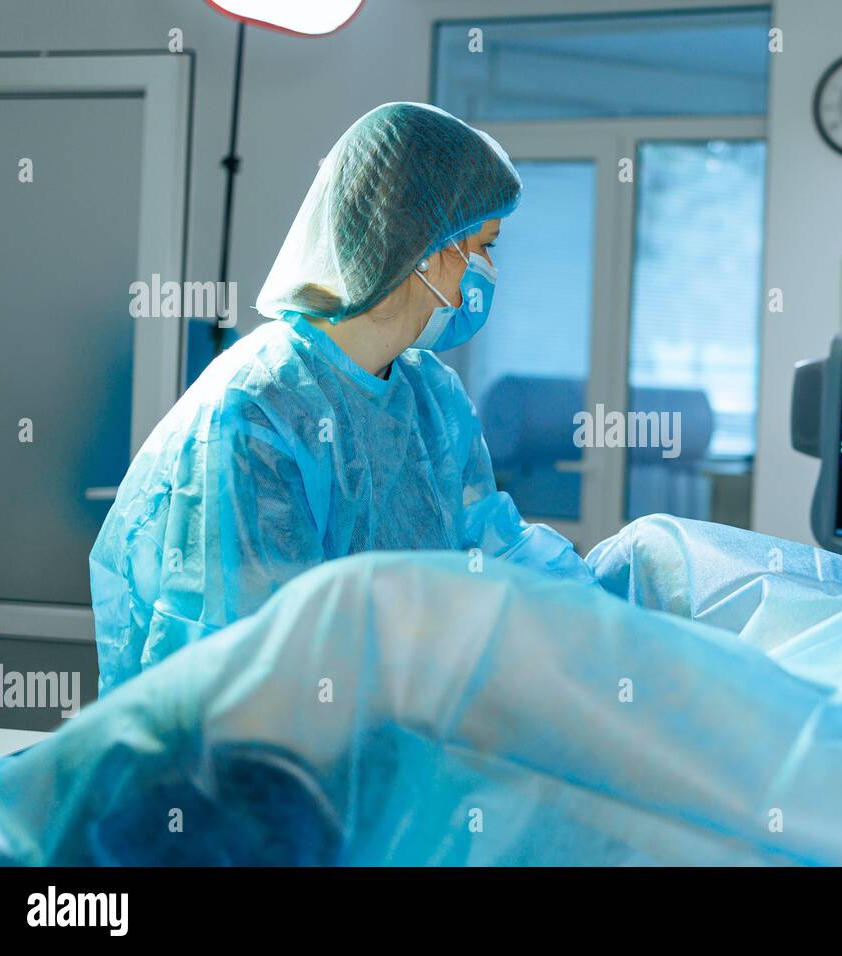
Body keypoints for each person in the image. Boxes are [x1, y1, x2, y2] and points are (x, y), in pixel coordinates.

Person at [90, 103, 592, 695]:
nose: (488, 271)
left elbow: (493, 553)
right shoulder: (256, 412)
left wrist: (609, 614)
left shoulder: (431, 399)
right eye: (484, 246)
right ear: (424, 245)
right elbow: (250, 673)